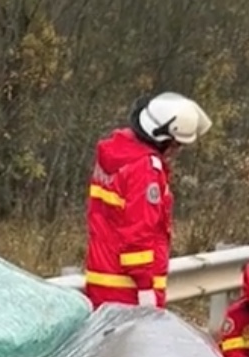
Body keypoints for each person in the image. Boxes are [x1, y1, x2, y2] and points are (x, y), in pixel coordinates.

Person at [84, 92, 212, 309]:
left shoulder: (115, 153)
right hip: (128, 290)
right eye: (176, 145)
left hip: (103, 278)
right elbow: (139, 233)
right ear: (162, 138)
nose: (176, 151)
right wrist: (145, 288)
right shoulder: (144, 169)